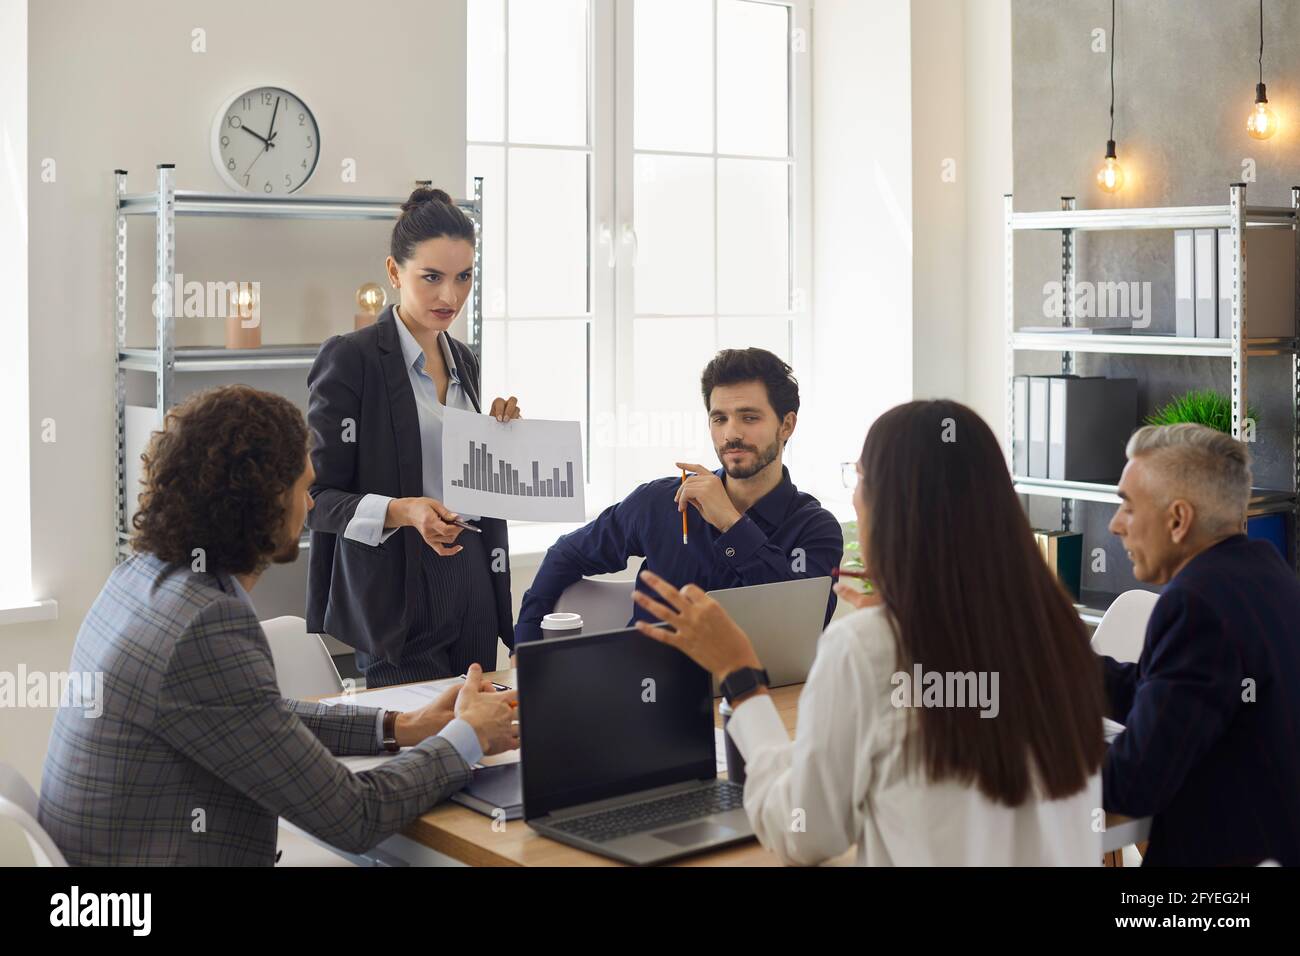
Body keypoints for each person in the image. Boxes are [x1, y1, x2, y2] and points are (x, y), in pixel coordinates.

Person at [38, 386, 518, 866]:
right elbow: (356, 815)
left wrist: (404, 725)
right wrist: (467, 737)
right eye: (304, 488)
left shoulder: (140, 579)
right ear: (261, 497)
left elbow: (259, 715)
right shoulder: (204, 627)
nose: (310, 506)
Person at [632, 400, 1106, 865]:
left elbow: (803, 835)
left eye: (859, 478)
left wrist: (741, 675)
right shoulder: (1054, 629)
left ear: (890, 504)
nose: (855, 498)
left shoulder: (867, 647)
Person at [306, 186, 523, 687]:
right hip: (397, 592)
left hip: (472, 580)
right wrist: (405, 511)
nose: (451, 296)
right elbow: (315, 499)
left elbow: (469, 486)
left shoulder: (464, 360)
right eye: (432, 278)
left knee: (479, 740)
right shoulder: (352, 359)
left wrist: (496, 438)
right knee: (417, 747)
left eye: (464, 277)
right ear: (393, 271)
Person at [514, 348, 843, 646]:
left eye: (749, 417)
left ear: (786, 426)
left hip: (756, 697)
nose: (732, 434)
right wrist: (525, 651)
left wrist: (731, 523)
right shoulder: (661, 502)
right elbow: (565, 555)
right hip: (649, 694)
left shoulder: (815, 529)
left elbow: (797, 627)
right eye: (720, 419)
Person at [1102, 423, 1300, 866]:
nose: (1115, 526)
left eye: (1127, 507)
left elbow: (1136, 783)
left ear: (1177, 520)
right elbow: (1169, 699)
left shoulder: (1195, 605)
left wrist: (1024, 762)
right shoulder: (1268, 573)